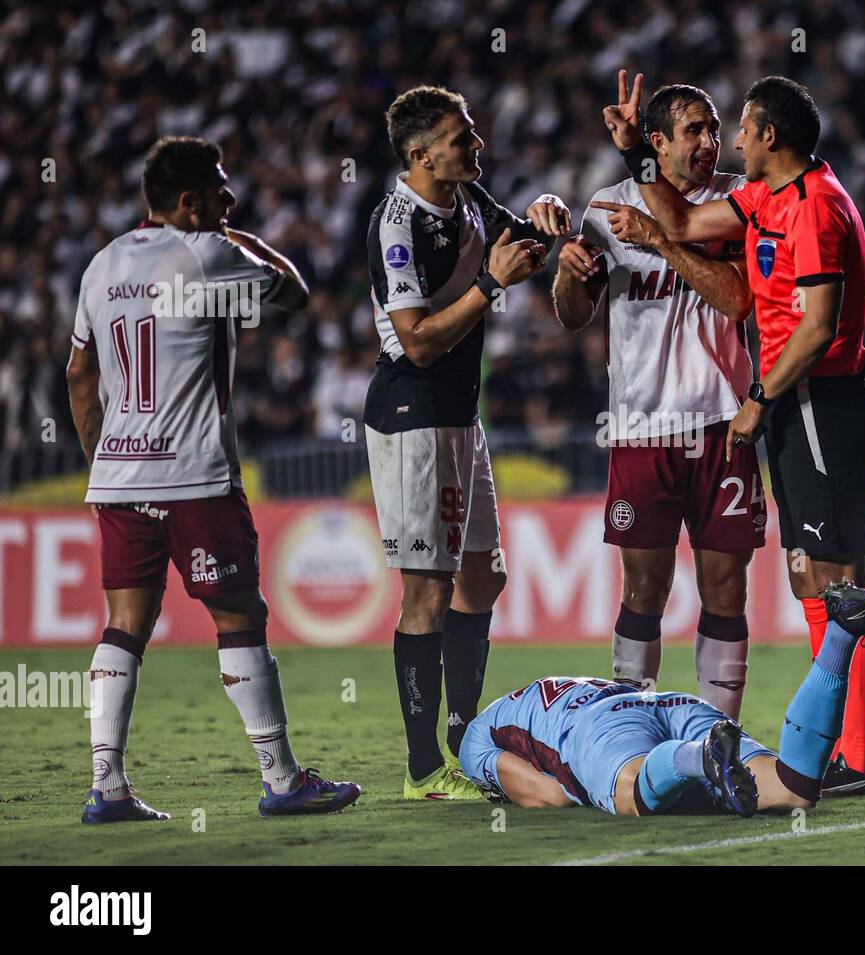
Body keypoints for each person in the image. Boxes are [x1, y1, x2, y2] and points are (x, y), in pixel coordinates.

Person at [595, 71, 865, 797]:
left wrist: (759, 397)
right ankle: (836, 748)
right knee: (814, 577)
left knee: (841, 577)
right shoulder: (768, 196)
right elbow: (687, 223)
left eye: (741, 127)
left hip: (818, 397)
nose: (729, 139)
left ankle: (858, 757)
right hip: (794, 403)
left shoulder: (816, 206)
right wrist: (638, 153)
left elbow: (818, 326)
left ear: (771, 137)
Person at [66, 136, 361, 823]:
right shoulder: (210, 252)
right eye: (221, 190)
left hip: (119, 475)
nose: (231, 199)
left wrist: (101, 463)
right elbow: (293, 292)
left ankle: (106, 786)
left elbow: (79, 376)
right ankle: (283, 780)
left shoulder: (100, 264)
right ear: (191, 200)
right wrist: (232, 234)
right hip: (194, 474)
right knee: (240, 616)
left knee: (125, 623)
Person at [363, 85, 570, 800]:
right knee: (427, 589)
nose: (475, 146)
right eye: (461, 138)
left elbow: (529, 247)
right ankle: (425, 768)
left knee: (483, 578)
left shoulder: (470, 201)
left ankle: (464, 733)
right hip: (412, 413)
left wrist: (549, 214)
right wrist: (488, 283)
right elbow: (417, 343)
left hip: (461, 418)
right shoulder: (397, 226)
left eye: (472, 133)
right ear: (421, 155)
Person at [552, 83, 762, 718]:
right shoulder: (604, 208)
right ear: (659, 141)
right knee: (645, 589)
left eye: (714, 129)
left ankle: (718, 735)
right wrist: (569, 274)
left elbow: (738, 299)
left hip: (726, 423)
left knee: (725, 587)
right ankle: (631, 731)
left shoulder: (736, 201)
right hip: (643, 426)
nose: (709, 142)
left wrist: (662, 241)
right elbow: (572, 316)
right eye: (693, 130)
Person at [458, 582, 865, 815]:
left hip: (596, 727)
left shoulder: (476, 742)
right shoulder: (532, 700)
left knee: (628, 793)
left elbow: (548, 797)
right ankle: (841, 633)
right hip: (664, 703)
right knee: (793, 789)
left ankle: (699, 759)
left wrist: (502, 789)